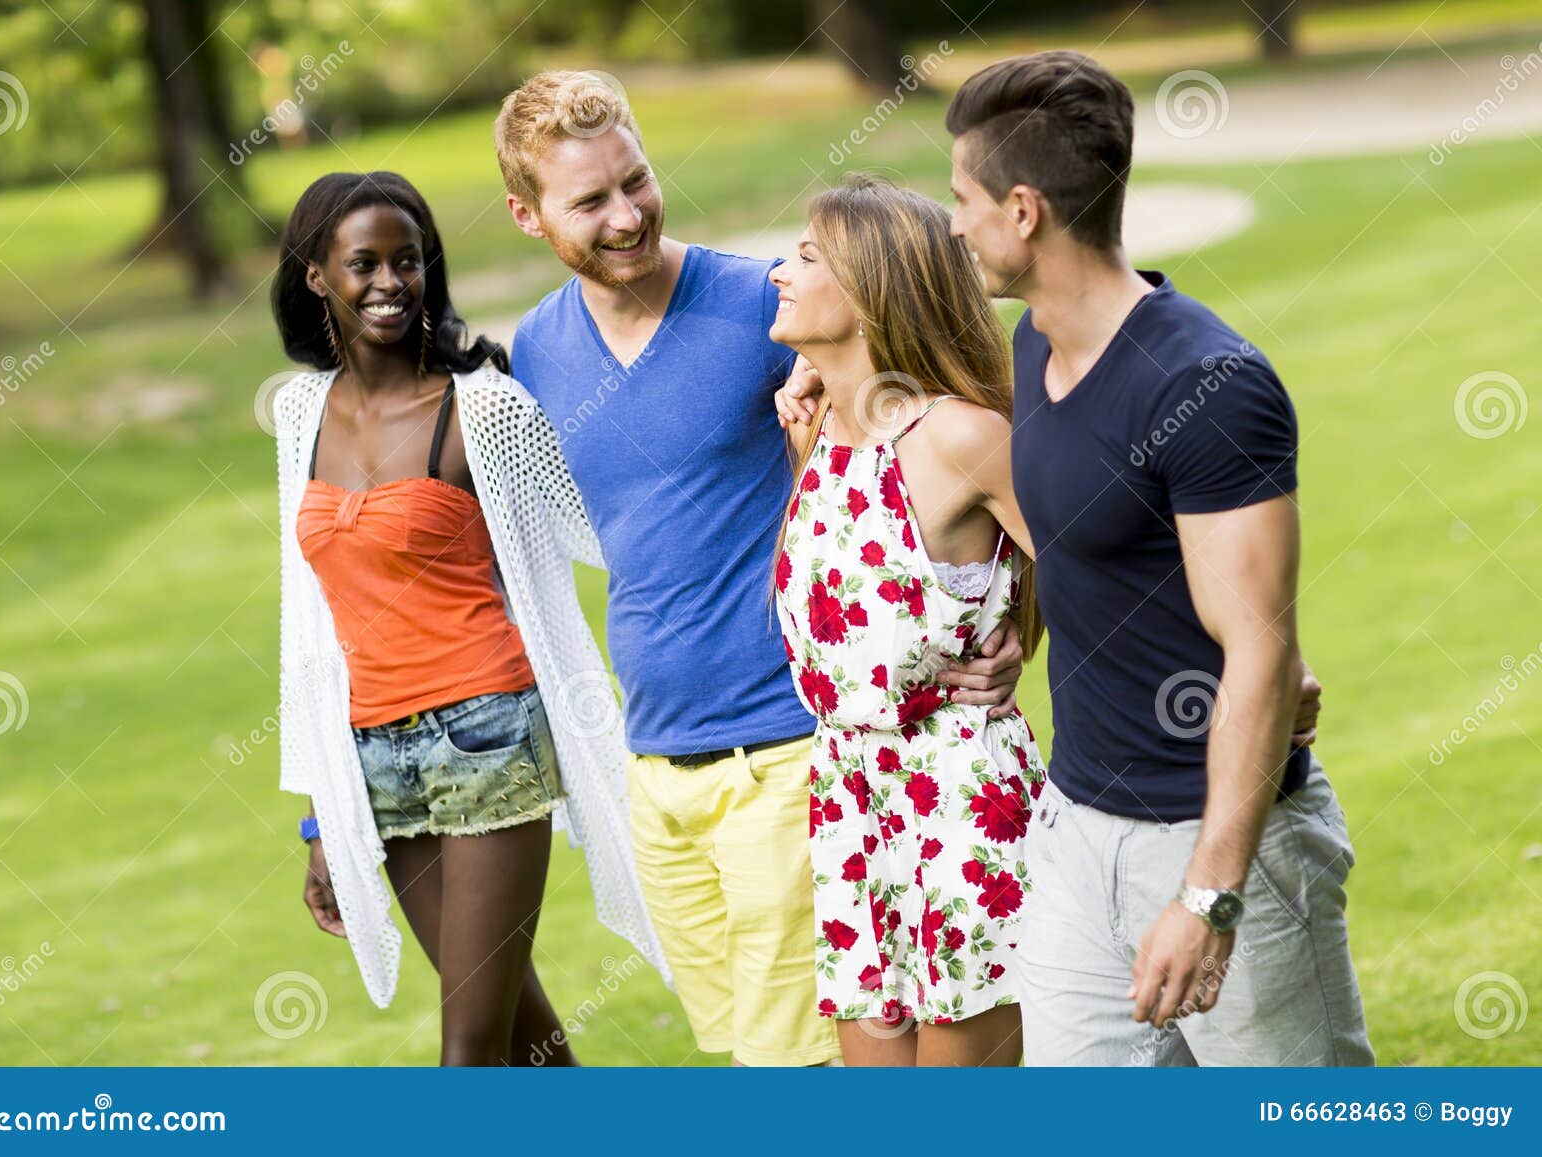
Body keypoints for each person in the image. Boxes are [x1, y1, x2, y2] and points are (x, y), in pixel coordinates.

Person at [494, 72, 1026, 1066]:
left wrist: (1001, 628)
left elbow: (927, 465)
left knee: (793, 1065)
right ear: (527, 215)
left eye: (635, 181)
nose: (626, 215)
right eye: (589, 201)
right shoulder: (538, 347)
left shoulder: (765, 305)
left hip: (791, 751)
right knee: (740, 1047)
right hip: (655, 761)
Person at [939, 51, 1373, 1065]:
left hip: (1222, 844)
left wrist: (1208, 895)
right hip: (1077, 826)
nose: (950, 220)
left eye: (960, 196)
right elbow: (1086, 536)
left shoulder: (1207, 383)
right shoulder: (1035, 349)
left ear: (1021, 209)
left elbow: (1259, 650)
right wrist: (1017, 625)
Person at [270, 170, 665, 1065]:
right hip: (376, 757)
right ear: (315, 276)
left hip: (487, 735)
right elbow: (309, 624)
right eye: (362, 263)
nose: (389, 283)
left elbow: (605, 525)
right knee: (519, 1027)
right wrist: (321, 813)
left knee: (469, 1049)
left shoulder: (484, 408)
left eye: (408, 261)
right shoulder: (299, 414)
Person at [769, 174, 1047, 1066]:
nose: (779, 271)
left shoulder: (960, 437)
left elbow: (1099, 568)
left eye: (806, 257)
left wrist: (1019, 643)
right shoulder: (819, 432)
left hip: (959, 791)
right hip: (850, 799)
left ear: (869, 288)